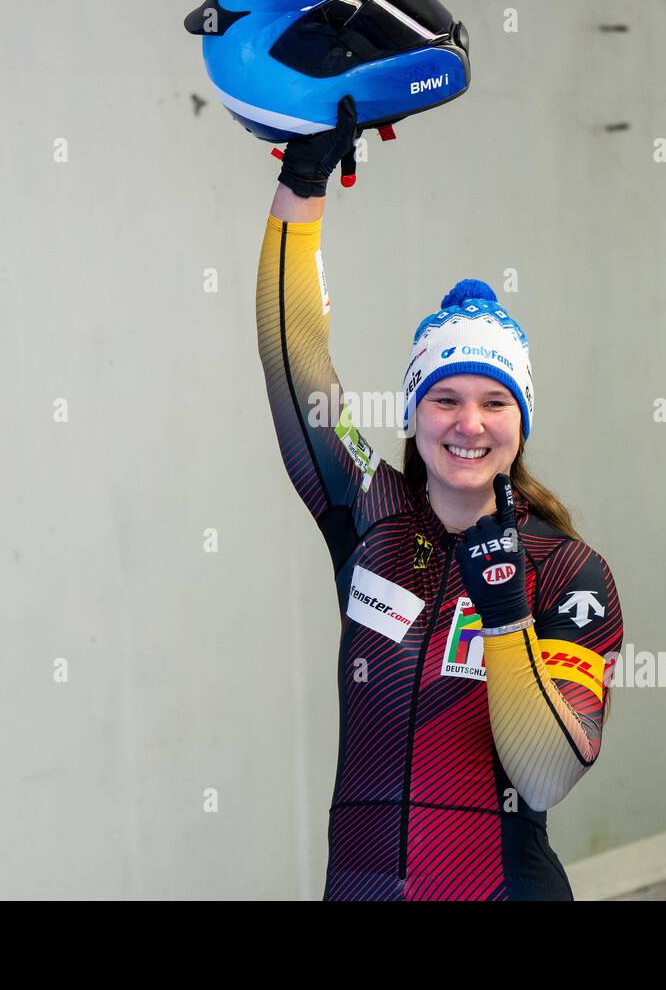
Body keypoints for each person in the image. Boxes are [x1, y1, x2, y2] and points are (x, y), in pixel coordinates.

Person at [256, 96, 625, 901]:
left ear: (520, 423)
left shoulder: (567, 570)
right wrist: (304, 177)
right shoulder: (370, 513)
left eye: (495, 403)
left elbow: (546, 773)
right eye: (444, 398)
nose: (469, 424)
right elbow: (296, 362)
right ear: (413, 413)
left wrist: (506, 615)